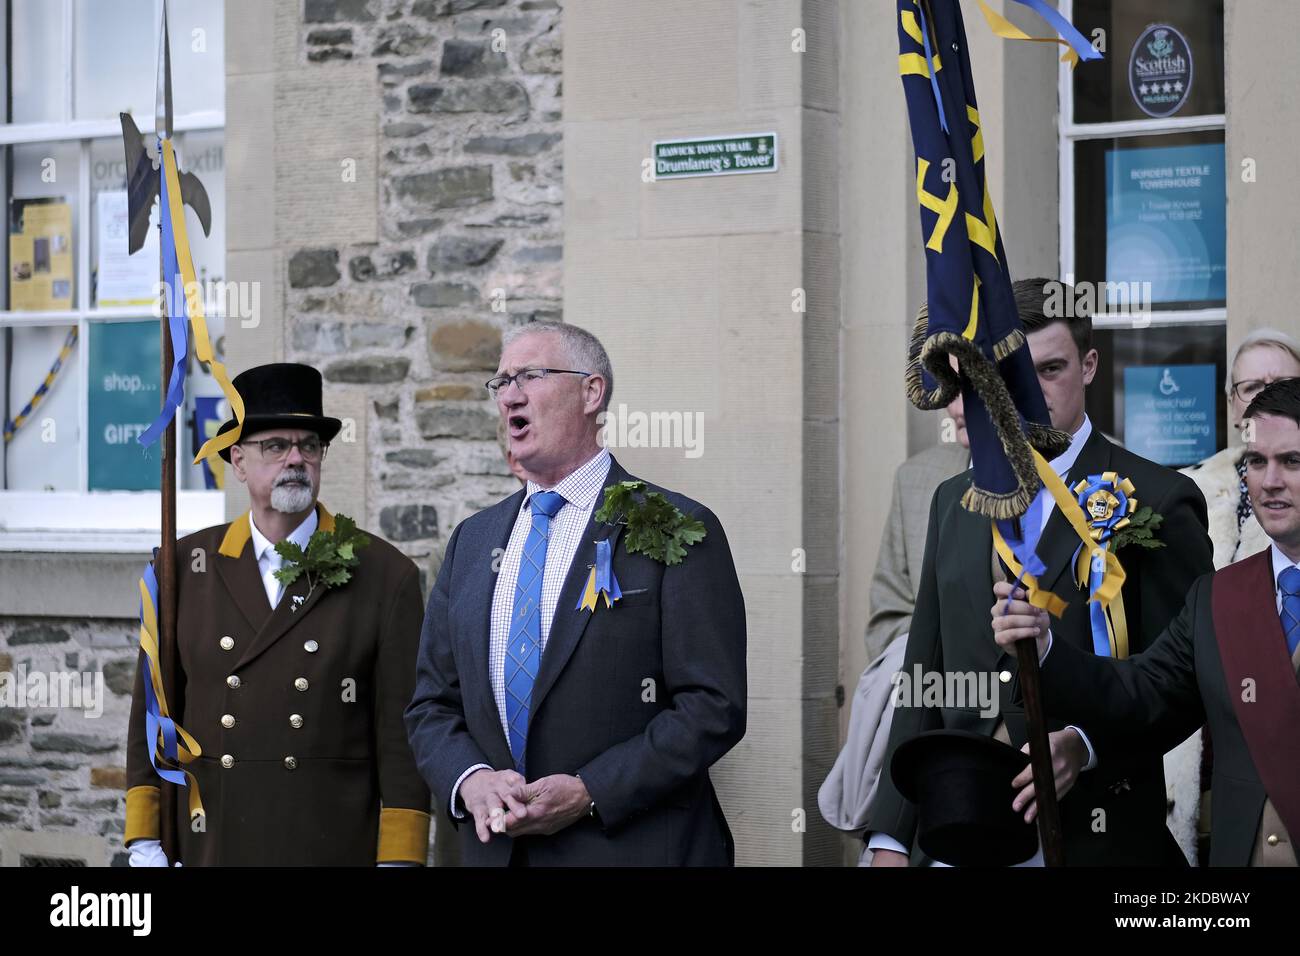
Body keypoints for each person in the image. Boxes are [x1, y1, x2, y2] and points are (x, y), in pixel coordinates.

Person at [866, 278, 1213, 867]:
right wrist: (892, 836)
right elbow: (924, 669)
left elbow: (1185, 682)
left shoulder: (1160, 497)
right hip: (960, 828)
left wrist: (1087, 746)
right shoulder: (953, 500)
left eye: (1049, 370)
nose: (1029, 394)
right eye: (1010, 378)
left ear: (1090, 365)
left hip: (1095, 836)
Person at [404, 321, 747, 866]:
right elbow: (431, 703)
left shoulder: (678, 526)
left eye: (530, 376)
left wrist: (592, 790)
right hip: (497, 853)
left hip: (630, 849)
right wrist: (471, 780)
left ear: (592, 392)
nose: (510, 394)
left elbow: (713, 706)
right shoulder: (473, 541)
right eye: (501, 382)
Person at [124, 363, 431, 866]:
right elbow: (152, 715)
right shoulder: (181, 568)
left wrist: (399, 857)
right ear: (238, 462)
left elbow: (401, 737)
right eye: (276, 446)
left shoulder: (384, 574)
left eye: (309, 445)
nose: (296, 459)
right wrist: (145, 839)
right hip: (210, 845)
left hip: (328, 848)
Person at [991, 376, 1300, 866]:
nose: (1270, 481)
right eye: (1257, 462)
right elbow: (1143, 693)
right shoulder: (1217, 595)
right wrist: (1045, 647)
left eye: (1292, 461)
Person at [818, 361, 969, 862]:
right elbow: (888, 620)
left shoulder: (1095, 485)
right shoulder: (919, 478)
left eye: (972, 388)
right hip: (927, 755)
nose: (953, 407)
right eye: (951, 389)